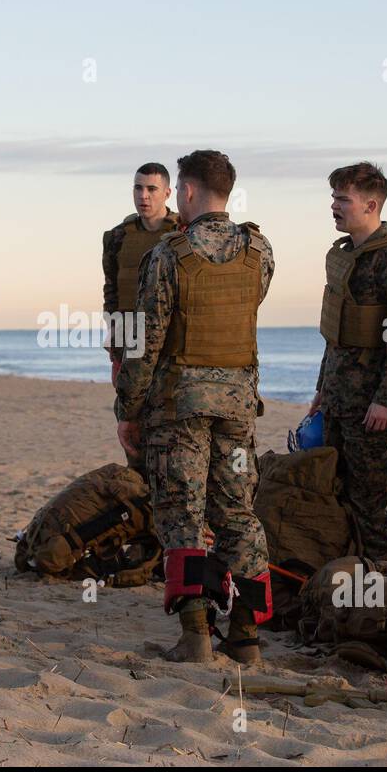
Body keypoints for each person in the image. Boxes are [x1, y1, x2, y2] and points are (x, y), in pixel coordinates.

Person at [115, 150, 274, 664]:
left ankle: (196, 637)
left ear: (184, 192)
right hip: (238, 407)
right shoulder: (260, 250)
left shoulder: (168, 254)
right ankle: (247, 639)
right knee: (238, 514)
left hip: (179, 407)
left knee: (182, 514)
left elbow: (145, 342)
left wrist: (129, 408)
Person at [307, 162, 387, 562]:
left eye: (343, 199)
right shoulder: (342, 257)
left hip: (371, 407)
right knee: (335, 500)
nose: (334, 206)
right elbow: (334, 335)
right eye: (334, 197)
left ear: (371, 205)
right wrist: (321, 391)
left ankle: (382, 597)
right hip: (338, 401)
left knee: (369, 509)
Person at [102, 163, 177, 469]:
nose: (143, 196)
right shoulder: (118, 237)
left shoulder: (181, 232)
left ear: (168, 193)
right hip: (129, 348)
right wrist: (114, 346)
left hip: (171, 351)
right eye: (138, 188)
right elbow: (111, 293)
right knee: (133, 435)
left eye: (151, 189)